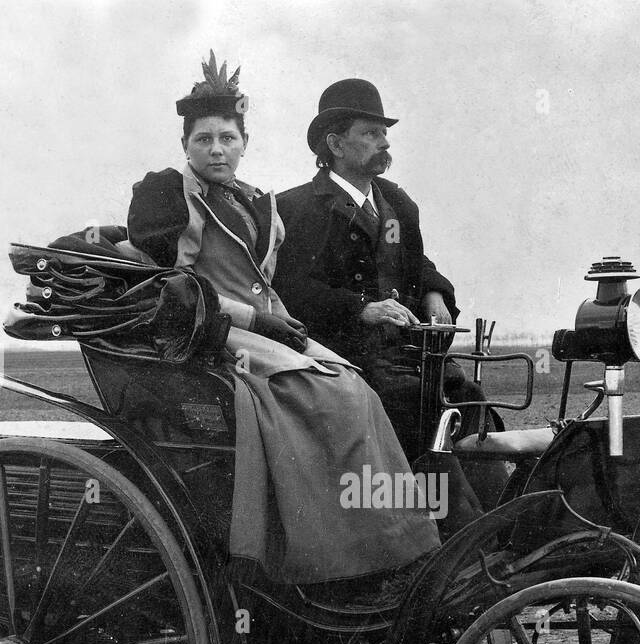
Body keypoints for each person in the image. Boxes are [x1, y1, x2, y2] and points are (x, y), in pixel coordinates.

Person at [127, 54, 439, 585]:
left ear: (244, 143)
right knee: (335, 397)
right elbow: (172, 288)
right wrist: (263, 320)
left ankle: (389, 542)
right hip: (214, 330)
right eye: (203, 140)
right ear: (186, 146)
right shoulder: (171, 194)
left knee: (354, 386)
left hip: (268, 324)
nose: (217, 149)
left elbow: (273, 283)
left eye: (227, 138)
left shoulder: (254, 201)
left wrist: (286, 322)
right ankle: (324, 550)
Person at [273, 79, 491, 463]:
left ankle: (483, 514)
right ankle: (428, 513)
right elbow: (291, 288)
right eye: (371, 133)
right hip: (346, 359)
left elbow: (416, 262)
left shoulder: (398, 202)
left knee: (469, 397)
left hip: (411, 355)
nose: (385, 143)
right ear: (336, 145)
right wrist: (361, 308)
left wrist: (433, 293)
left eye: (384, 134)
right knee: (408, 410)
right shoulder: (295, 209)